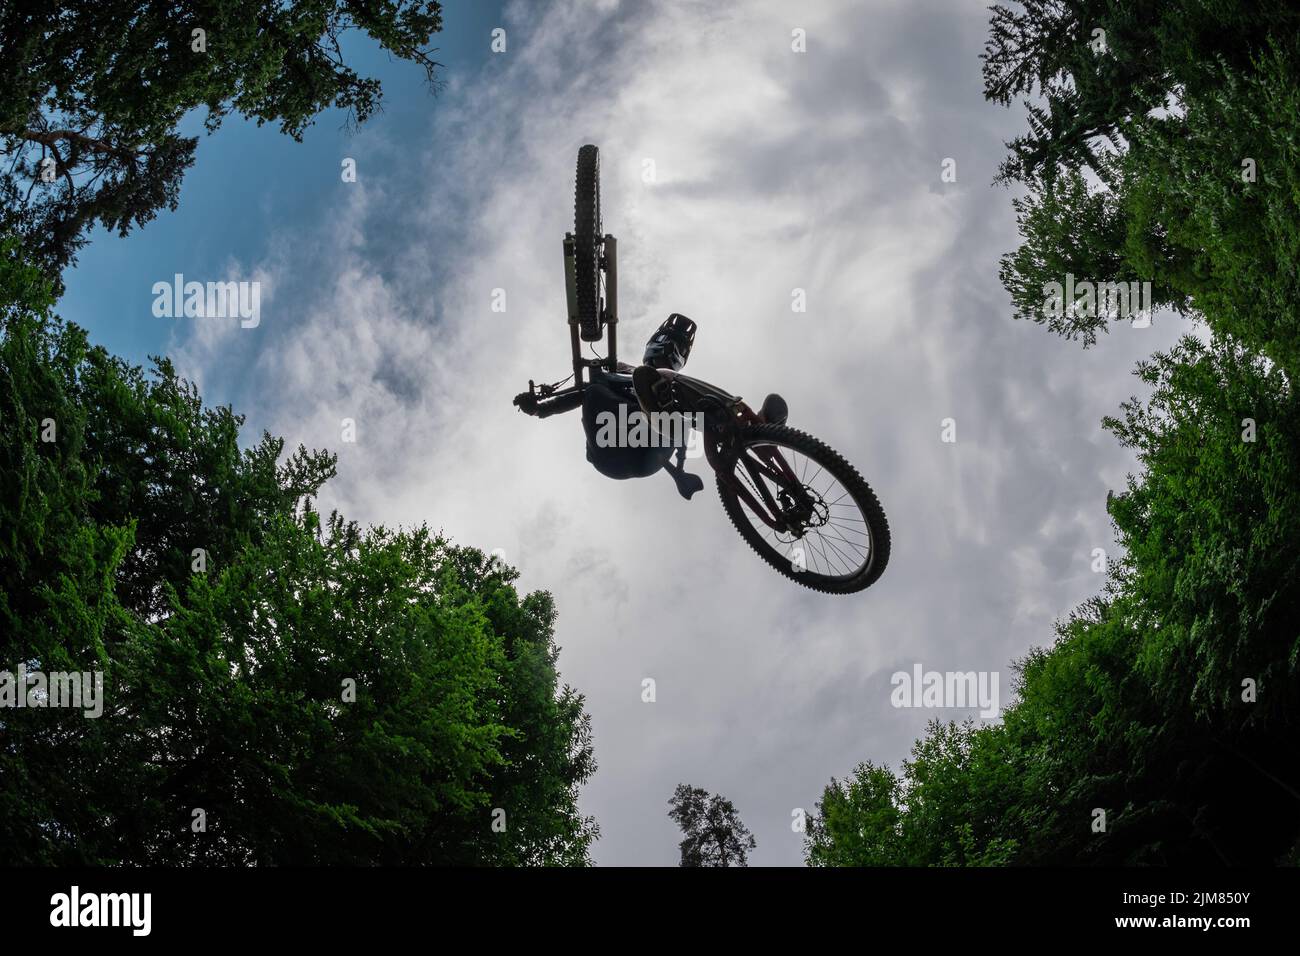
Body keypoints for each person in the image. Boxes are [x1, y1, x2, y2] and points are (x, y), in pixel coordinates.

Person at [514, 314, 704, 498]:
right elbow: (586, 394)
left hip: (634, 452)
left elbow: (685, 425)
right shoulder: (624, 370)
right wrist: (541, 408)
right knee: (595, 389)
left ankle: (656, 418)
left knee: (676, 411)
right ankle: (652, 417)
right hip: (619, 447)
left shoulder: (674, 387)